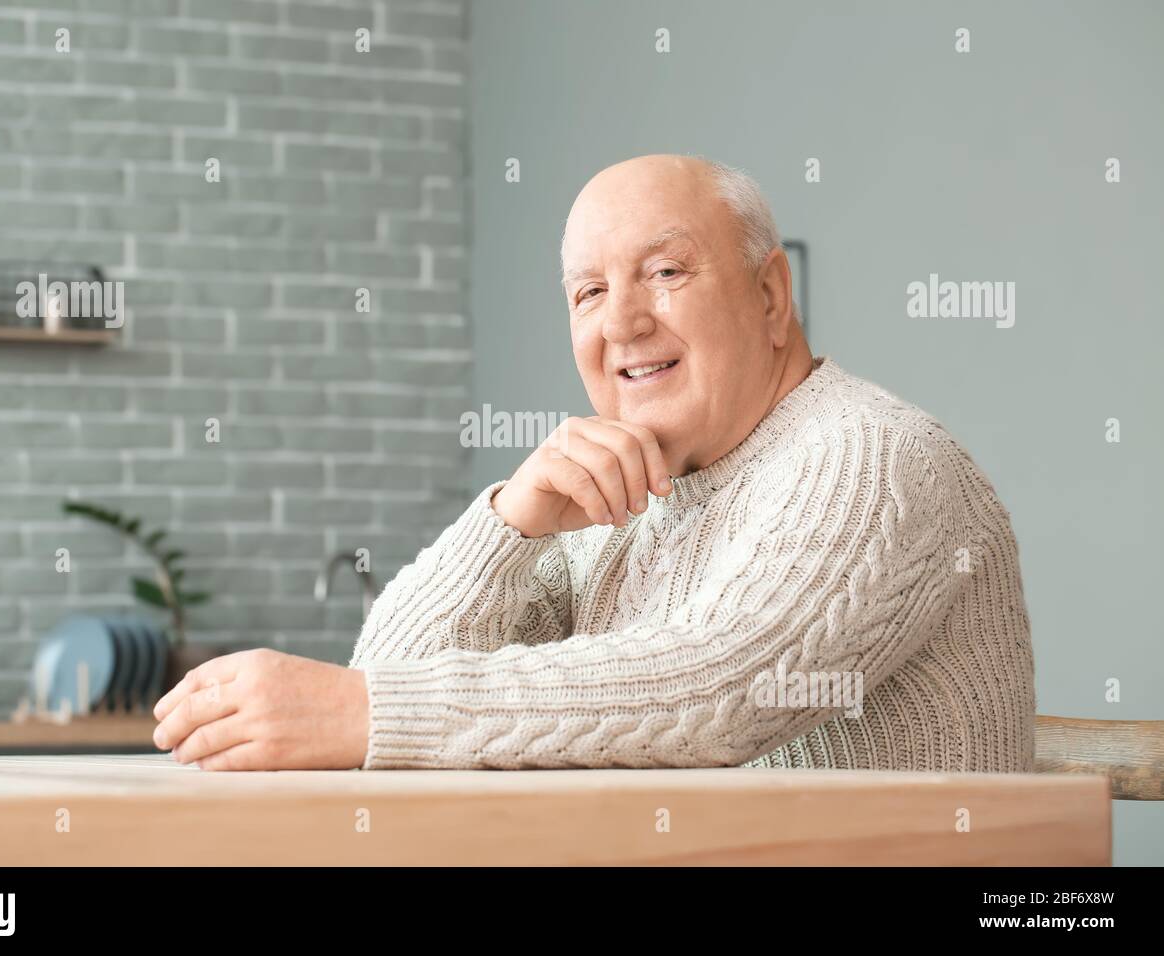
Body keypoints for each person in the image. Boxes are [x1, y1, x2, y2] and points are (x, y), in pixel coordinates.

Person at [153, 154, 1035, 773]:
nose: (621, 323)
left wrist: (360, 714)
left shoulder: (868, 455)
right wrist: (509, 525)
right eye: (589, 292)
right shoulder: (622, 495)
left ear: (770, 295)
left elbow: (723, 688)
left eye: (664, 272)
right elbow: (386, 681)